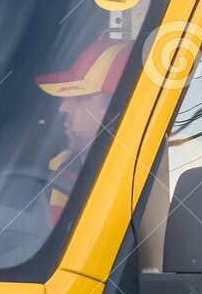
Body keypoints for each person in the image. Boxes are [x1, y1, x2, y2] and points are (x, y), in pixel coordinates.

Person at [33, 37, 132, 222]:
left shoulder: (140, 180)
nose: (62, 108)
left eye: (78, 97)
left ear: (114, 106)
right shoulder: (61, 165)